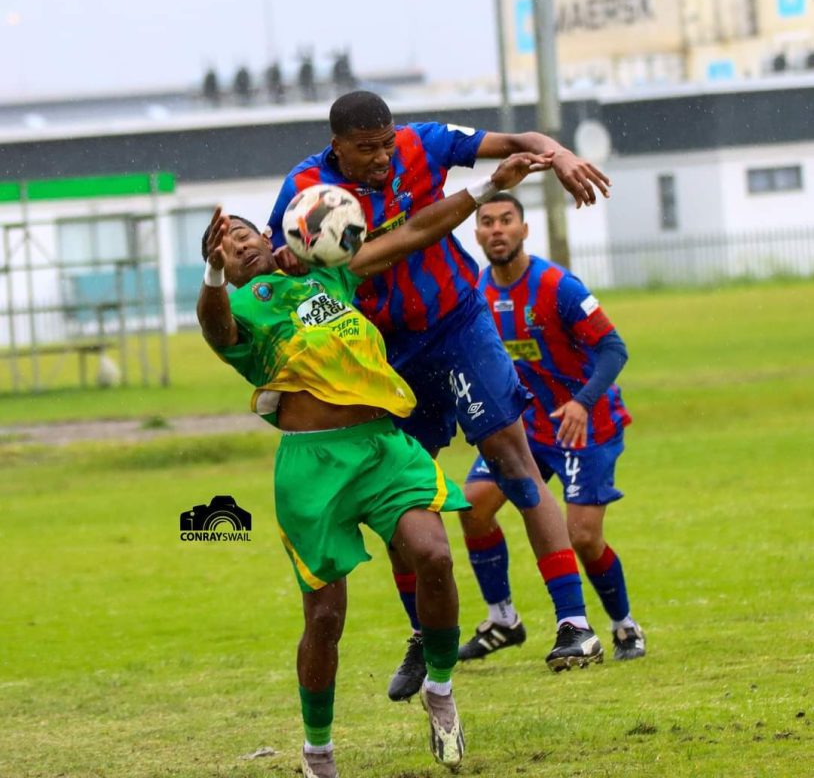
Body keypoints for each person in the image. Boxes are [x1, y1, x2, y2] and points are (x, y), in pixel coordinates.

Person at [197, 154, 548, 778]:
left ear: (275, 237)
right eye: (225, 247)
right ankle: (318, 752)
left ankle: (440, 690)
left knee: (434, 556)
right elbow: (215, 328)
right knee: (326, 616)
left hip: (384, 447)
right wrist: (212, 279)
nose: (238, 247)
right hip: (313, 469)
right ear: (218, 261)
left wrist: (489, 182)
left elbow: (413, 232)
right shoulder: (239, 308)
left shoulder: (325, 274)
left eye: (245, 235)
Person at [267, 91, 610, 701]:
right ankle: (426, 636)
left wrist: (557, 154)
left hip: (457, 321)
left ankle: (573, 623)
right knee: (405, 503)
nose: (381, 158)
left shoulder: (422, 144)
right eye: (366, 150)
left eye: (385, 143)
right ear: (337, 146)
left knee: (512, 458)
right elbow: (350, 261)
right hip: (383, 351)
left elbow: (519, 141)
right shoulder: (304, 191)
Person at [457, 192, 645, 664]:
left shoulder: (558, 286)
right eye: (486, 222)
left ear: (524, 230)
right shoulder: (477, 292)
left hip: (585, 425)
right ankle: (503, 619)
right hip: (526, 428)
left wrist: (582, 402)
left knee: (582, 536)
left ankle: (625, 627)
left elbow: (614, 348)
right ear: (476, 233)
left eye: (506, 221)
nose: (496, 229)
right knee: (473, 506)